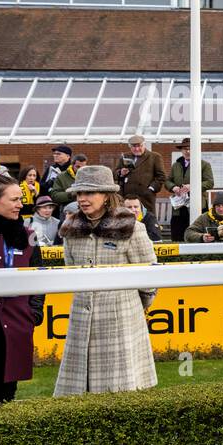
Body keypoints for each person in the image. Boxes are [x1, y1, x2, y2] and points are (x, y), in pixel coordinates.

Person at [53, 166, 157, 396]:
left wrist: (139, 304)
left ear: (106, 195)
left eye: (89, 193)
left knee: (120, 390)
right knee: (77, 394)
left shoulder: (132, 228)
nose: (82, 199)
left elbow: (149, 276)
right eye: (79, 194)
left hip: (121, 315)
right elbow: (70, 271)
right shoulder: (69, 229)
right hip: (81, 314)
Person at [0, 174, 44, 405]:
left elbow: (39, 278)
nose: (21, 204)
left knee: (6, 400)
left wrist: (34, 313)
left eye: (21, 199)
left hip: (15, 328)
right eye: (14, 200)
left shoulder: (28, 236)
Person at [167, 141, 215, 242]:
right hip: (179, 207)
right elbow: (168, 181)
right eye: (185, 149)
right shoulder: (176, 165)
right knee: (177, 235)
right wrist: (173, 187)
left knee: (199, 233)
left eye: (190, 148)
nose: (187, 151)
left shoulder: (204, 165)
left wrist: (193, 187)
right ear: (181, 150)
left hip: (197, 205)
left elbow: (210, 183)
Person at [114, 134, 167, 213]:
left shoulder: (154, 156)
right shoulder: (124, 156)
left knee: (147, 220)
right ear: (130, 147)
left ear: (144, 145)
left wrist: (150, 189)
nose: (137, 149)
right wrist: (121, 172)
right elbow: (115, 173)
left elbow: (161, 176)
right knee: (127, 220)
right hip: (126, 197)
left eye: (139, 146)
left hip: (145, 197)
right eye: (134, 147)